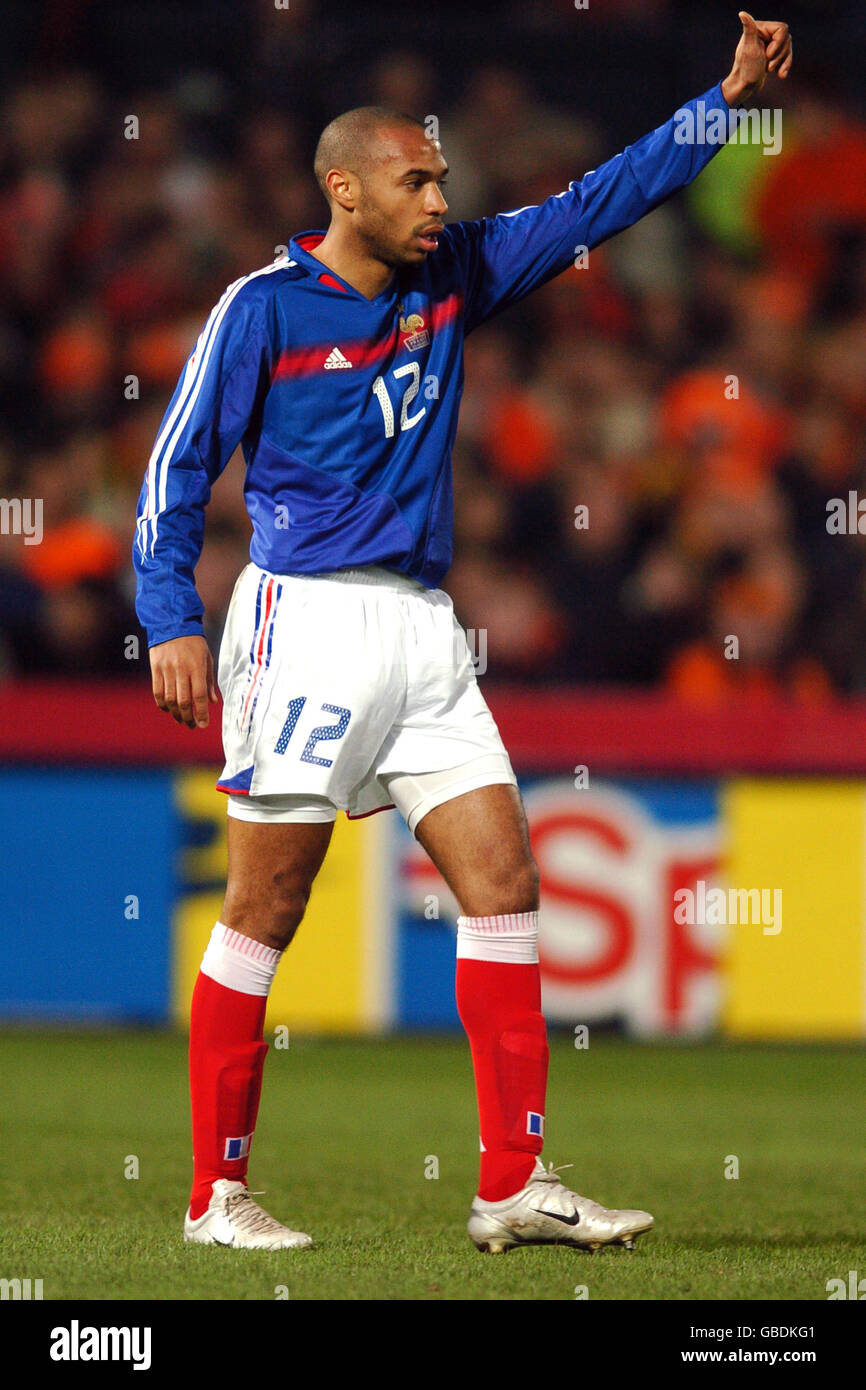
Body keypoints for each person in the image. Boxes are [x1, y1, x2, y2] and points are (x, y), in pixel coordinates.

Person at [133, 13, 792, 1254]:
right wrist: (169, 618)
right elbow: (173, 474)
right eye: (414, 179)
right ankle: (213, 1195)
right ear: (344, 188)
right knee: (266, 908)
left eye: (440, 177)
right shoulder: (261, 310)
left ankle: (511, 1182)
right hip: (303, 624)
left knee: (504, 883)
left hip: (426, 634)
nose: (441, 196)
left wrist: (724, 100)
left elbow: (602, 200)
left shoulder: (461, 272)